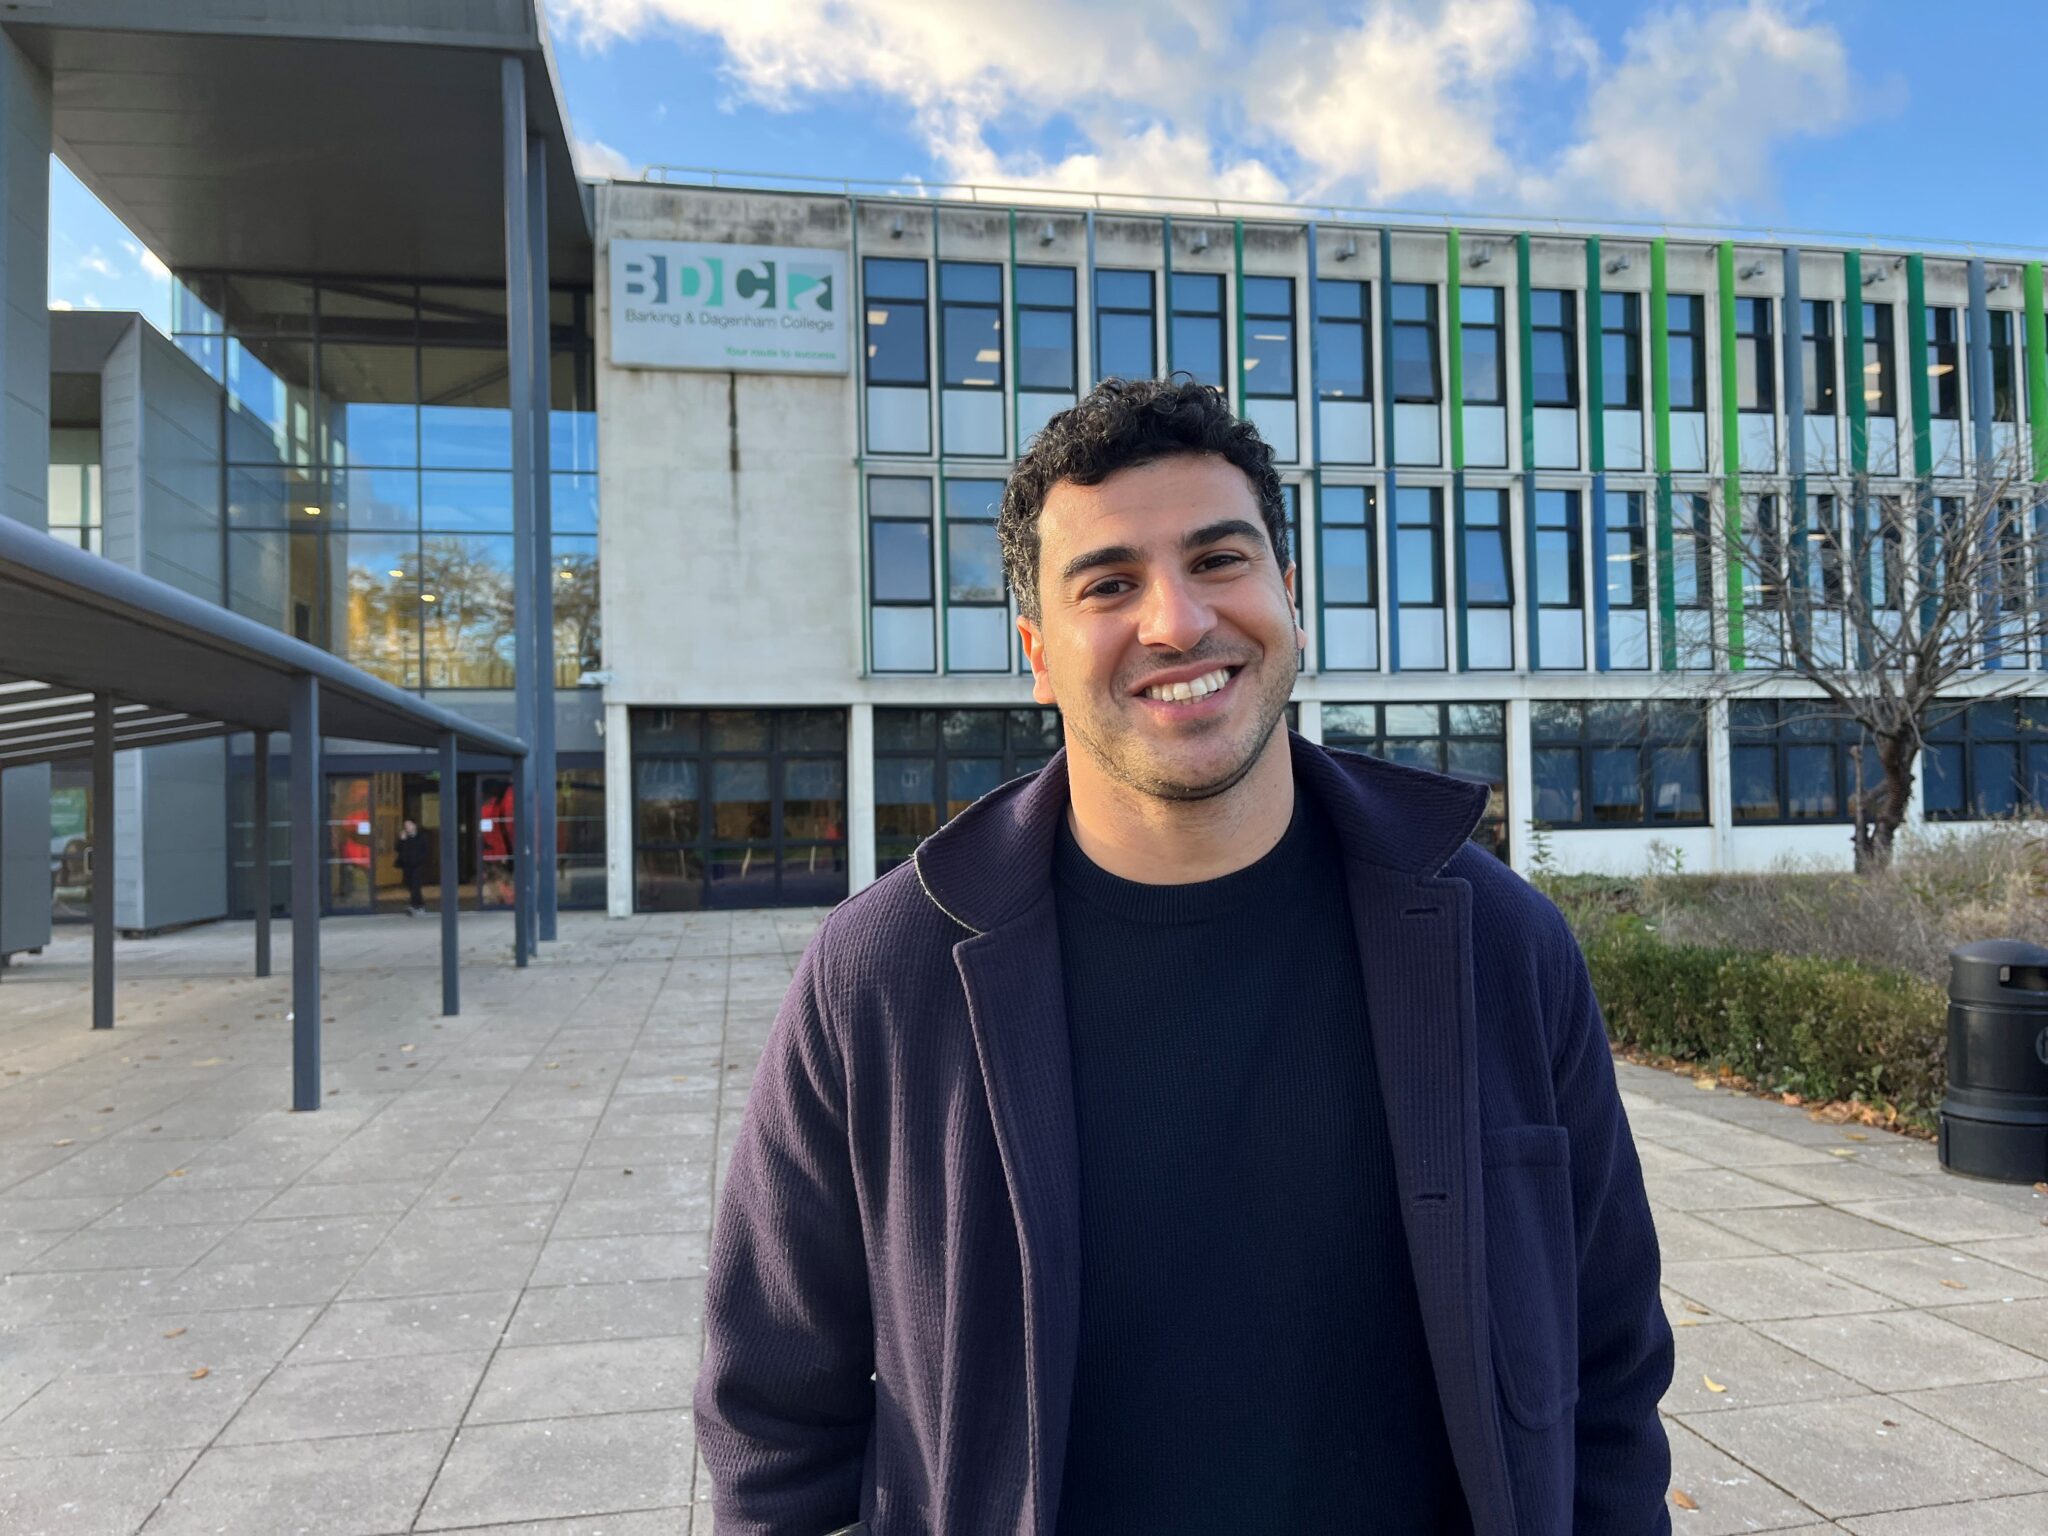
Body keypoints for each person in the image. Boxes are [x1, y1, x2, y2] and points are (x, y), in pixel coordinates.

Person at [695, 377, 1673, 1535]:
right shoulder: (883, 974)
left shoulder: (1499, 942)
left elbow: (1607, 1366)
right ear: (1038, 656)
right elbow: (771, 1416)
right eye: (1108, 584)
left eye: (1219, 560)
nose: (1175, 622)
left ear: (1288, 598)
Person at [394, 818, 429, 916]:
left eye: (409, 825)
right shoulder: (405, 837)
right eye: (406, 825)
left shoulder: (422, 837)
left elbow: (425, 850)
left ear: (414, 825)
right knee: (410, 885)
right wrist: (402, 840)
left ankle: (415, 906)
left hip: (418, 865)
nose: (407, 827)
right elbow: (397, 849)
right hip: (407, 865)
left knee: (415, 886)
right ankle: (419, 905)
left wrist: (420, 860)